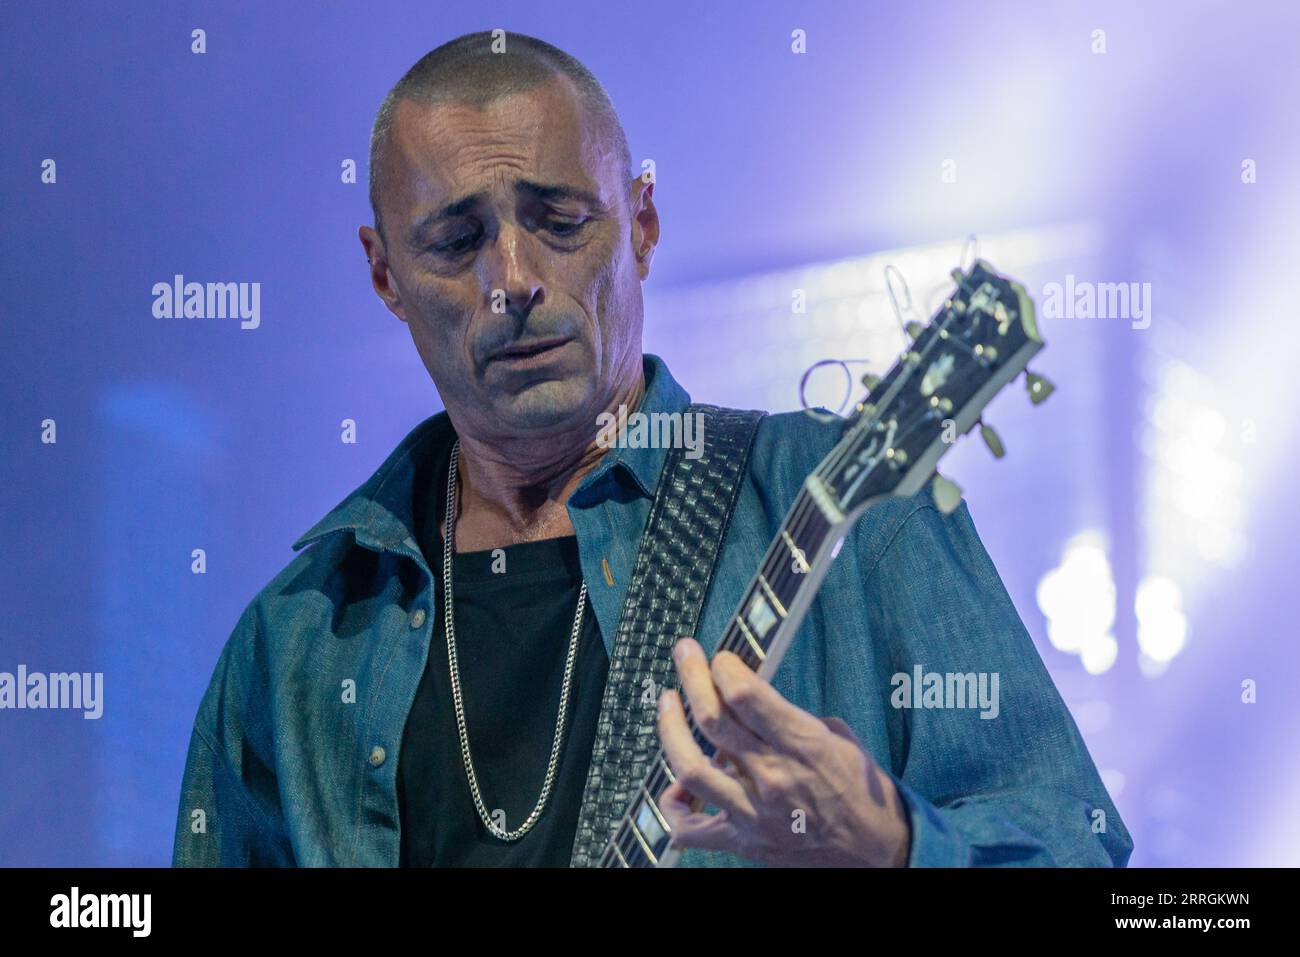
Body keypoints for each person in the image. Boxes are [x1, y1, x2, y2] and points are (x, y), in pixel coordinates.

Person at [172, 30, 1132, 868]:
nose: (513, 281)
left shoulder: (846, 507)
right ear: (384, 273)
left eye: (560, 222)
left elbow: (1075, 845)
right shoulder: (294, 640)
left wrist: (891, 846)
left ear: (642, 223)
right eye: (456, 241)